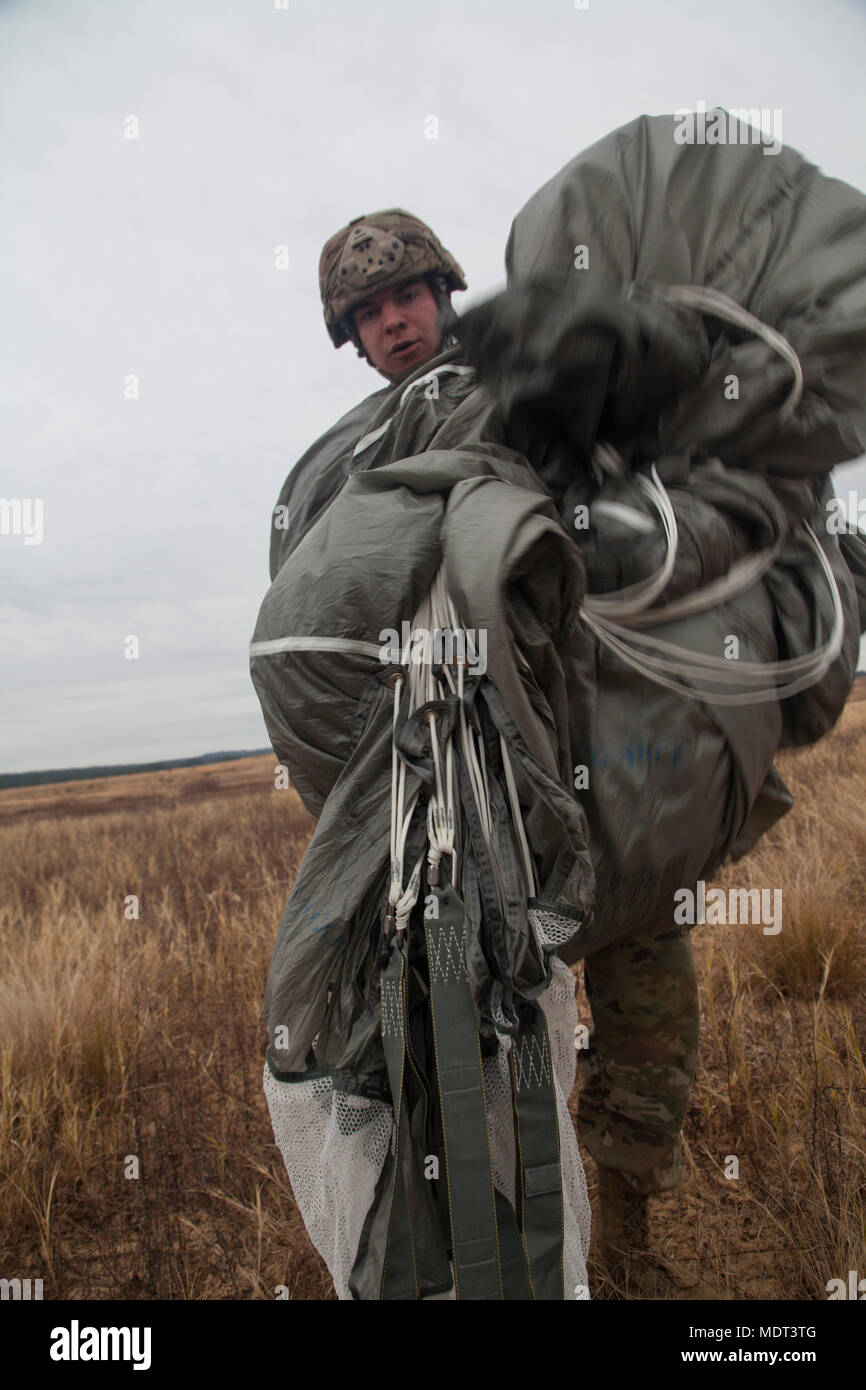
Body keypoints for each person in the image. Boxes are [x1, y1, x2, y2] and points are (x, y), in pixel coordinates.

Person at [279, 206, 703, 1298]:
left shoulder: (524, 394)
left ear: (445, 292)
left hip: (600, 768)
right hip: (465, 807)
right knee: (473, 1036)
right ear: (352, 338)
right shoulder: (349, 468)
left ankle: (630, 1250)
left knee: (644, 1015)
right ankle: (498, 1254)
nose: (392, 320)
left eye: (406, 295)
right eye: (366, 313)